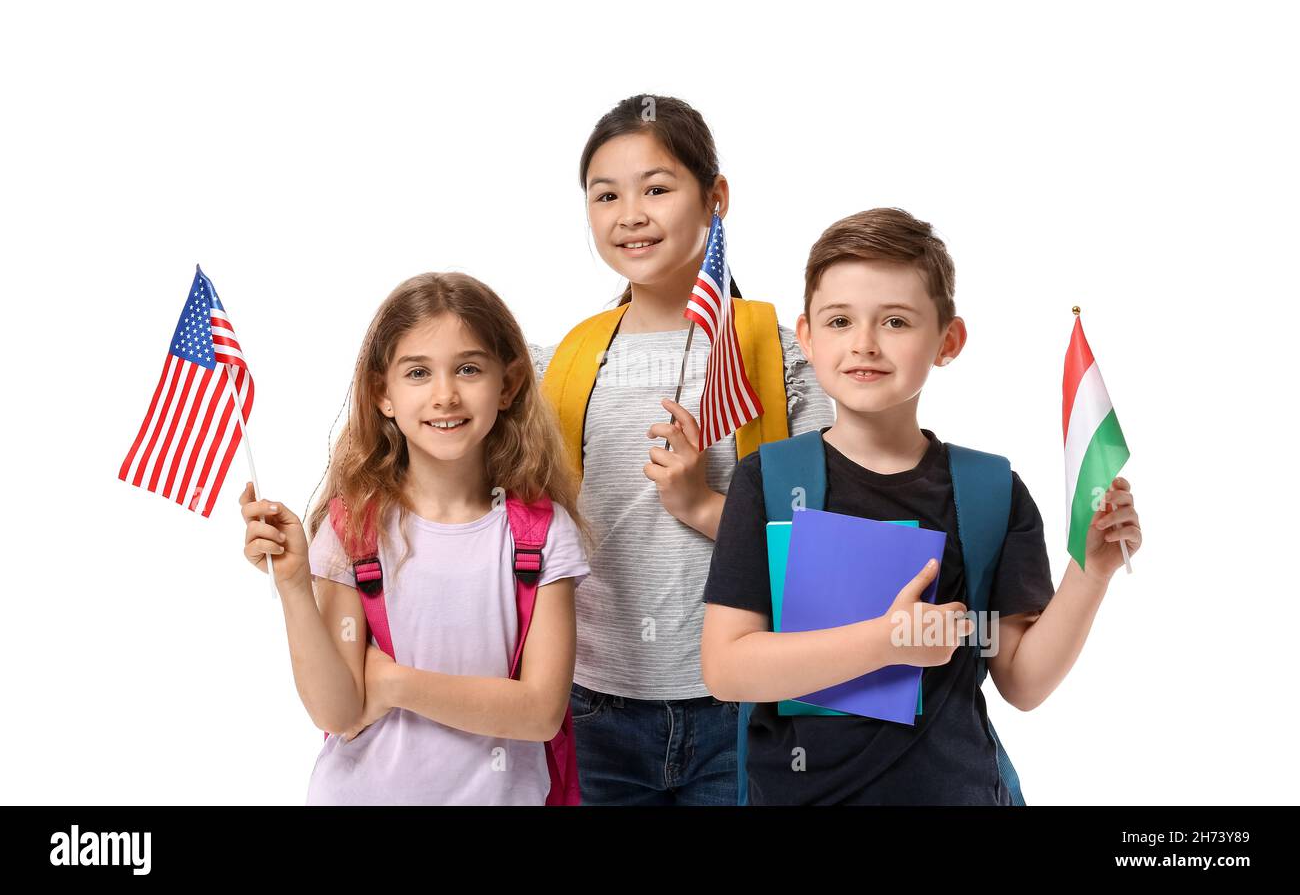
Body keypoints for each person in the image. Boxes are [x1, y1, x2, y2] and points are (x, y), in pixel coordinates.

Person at [701, 207, 1143, 804]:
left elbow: (1023, 680)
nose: (864, 344)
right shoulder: (769, 482)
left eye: (895, 322)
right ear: (806, 337)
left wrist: (1091, 571)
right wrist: (885, 643)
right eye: (839, 321)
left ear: (948, 340)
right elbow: (728, 670)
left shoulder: (990, 490)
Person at [529, 94, 836, 804]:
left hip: (744, 705)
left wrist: (702, 507)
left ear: (715, 198)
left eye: (657, 188)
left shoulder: (785, 357)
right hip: (594, 702)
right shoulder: (562, 364)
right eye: (605, 195)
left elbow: (822, 550)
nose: (630, 214)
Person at [240, 271, 591, 804]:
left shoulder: (540, 535)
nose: (445, 395)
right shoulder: (354, 528)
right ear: (384, 393)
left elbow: (541, 713)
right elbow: (337, 712)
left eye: (468, 369)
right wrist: (292, 584)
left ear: (509, 384)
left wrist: (395, 684)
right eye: (419, 373)